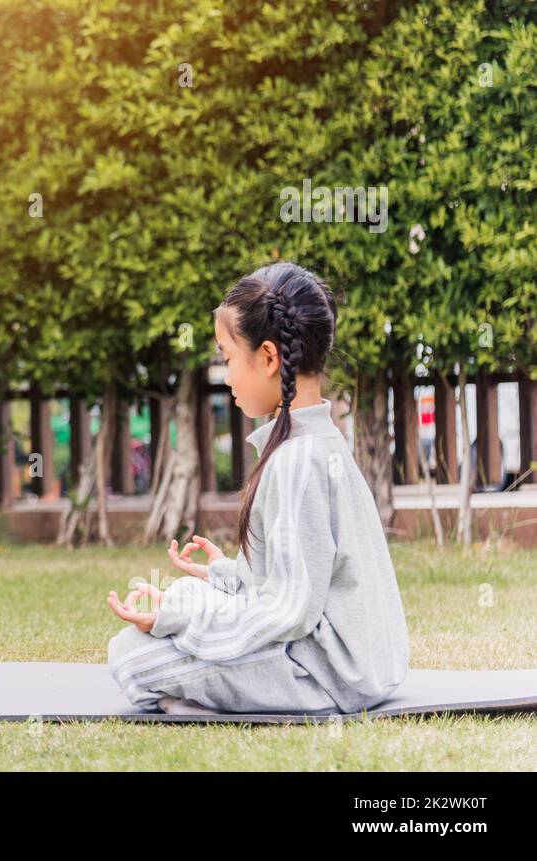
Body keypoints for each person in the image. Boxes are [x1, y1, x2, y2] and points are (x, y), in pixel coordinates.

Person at [105, 261, 410, 714]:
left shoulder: (294, 462)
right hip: (362, 664)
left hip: (325, 674)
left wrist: (176, 620)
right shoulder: (320, 442)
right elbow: (304, 580)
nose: (225, 376)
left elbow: (287, 612)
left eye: (227, 359)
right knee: (187, 597)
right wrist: (225, 576)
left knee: (130, 656)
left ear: (269, 358)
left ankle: (202, 702)